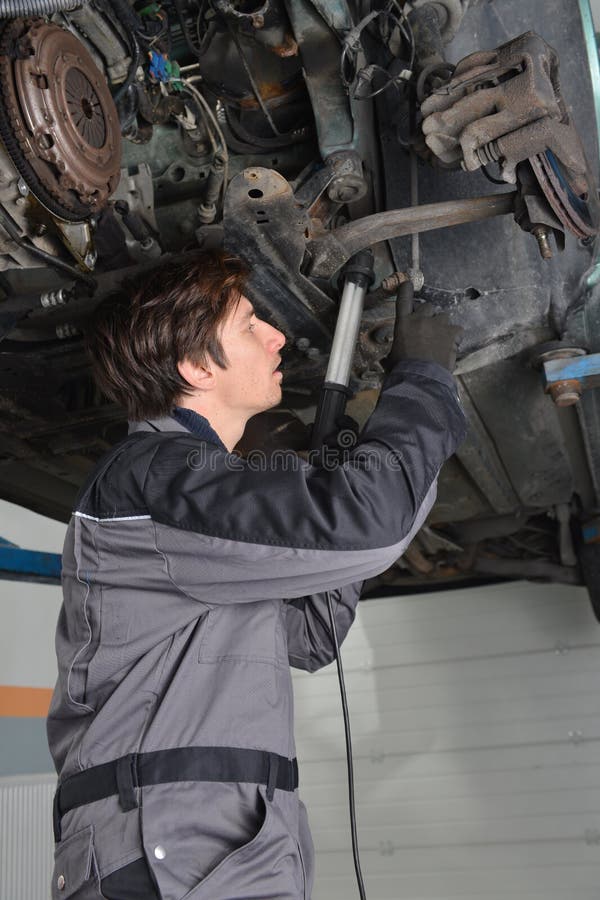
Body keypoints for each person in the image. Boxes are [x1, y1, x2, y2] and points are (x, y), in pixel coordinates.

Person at [47, 249, 466, 900]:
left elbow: (308, 637)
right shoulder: (154, 476)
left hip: (216, 839)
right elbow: (373, 523)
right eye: (249, 325)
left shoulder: (181, 492)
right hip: (173, 842)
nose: (276, 335)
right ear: (192, 366)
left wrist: (323, 492)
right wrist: (423, 382)